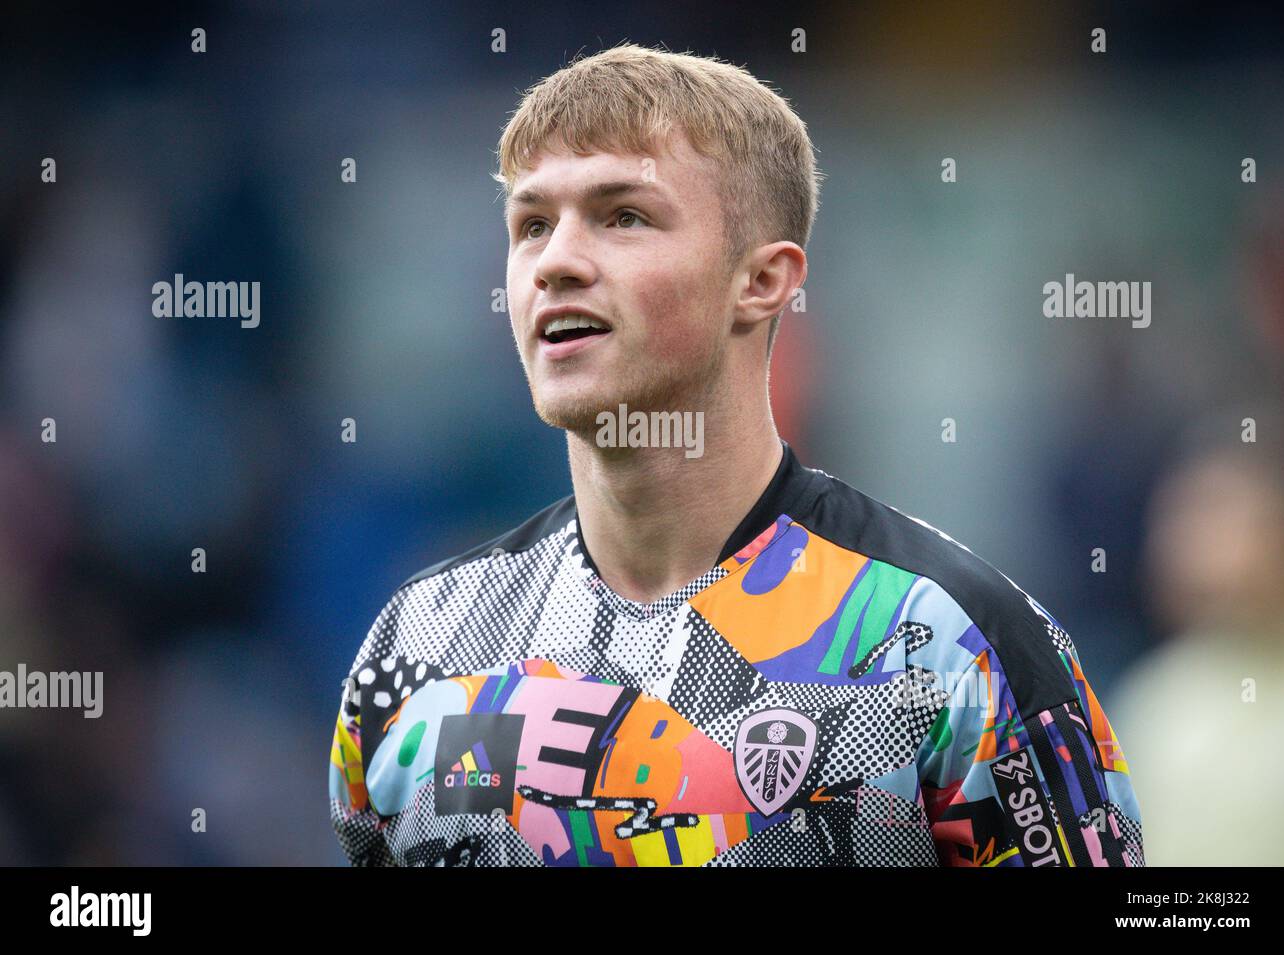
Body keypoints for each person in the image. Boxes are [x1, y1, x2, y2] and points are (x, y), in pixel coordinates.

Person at [327, 42, 1143, 867]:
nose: (556, 263)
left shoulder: (942, 642)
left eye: (623, 216)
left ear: (762, 282)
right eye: (532, 224)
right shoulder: (419, 648)